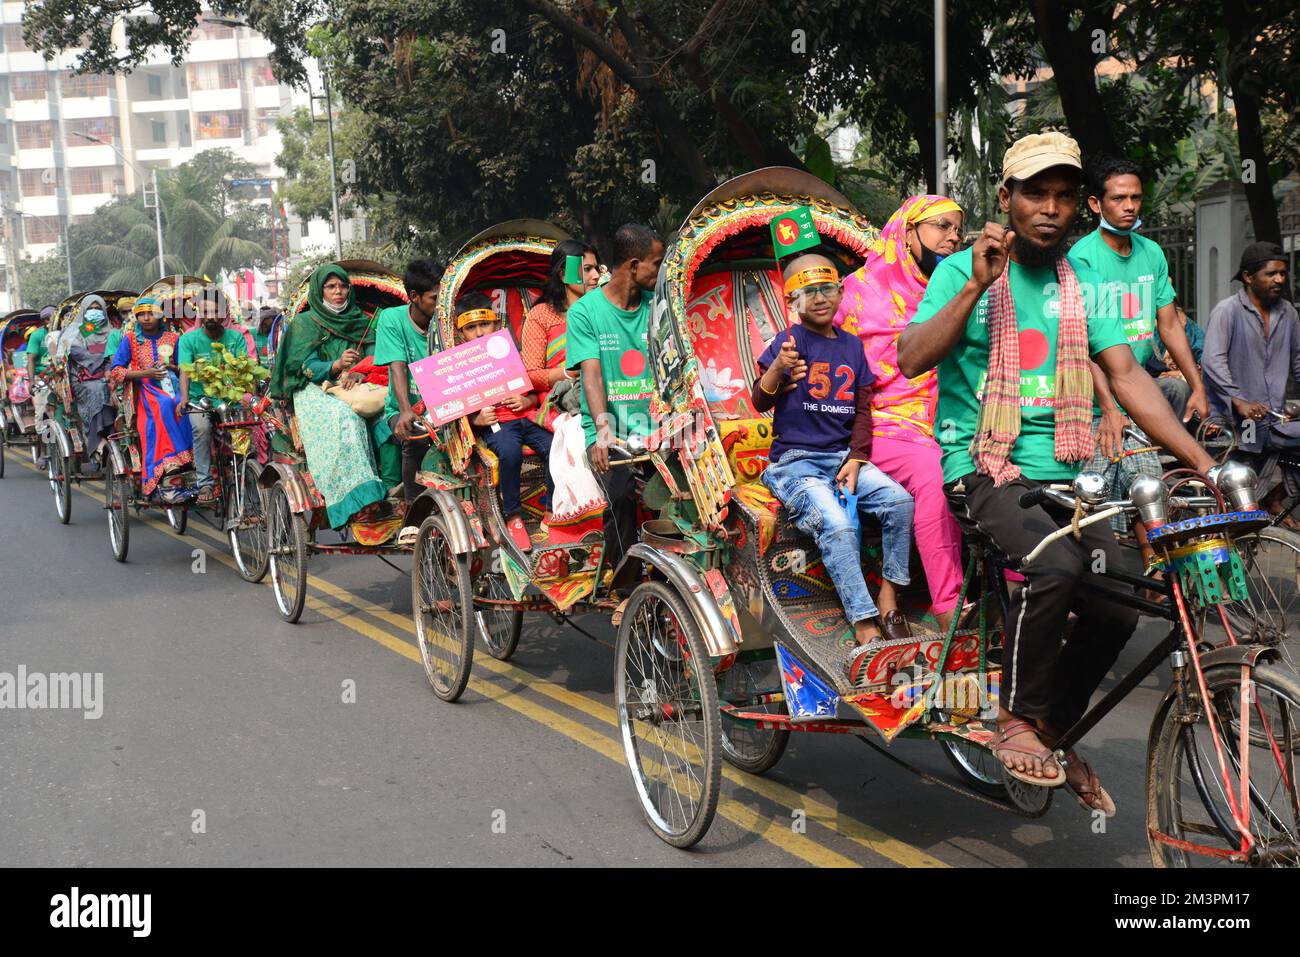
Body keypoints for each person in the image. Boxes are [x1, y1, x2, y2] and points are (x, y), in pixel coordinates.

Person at [897, 131, 1217, 811]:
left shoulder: (1080, 280)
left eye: (1064, 196)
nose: (1050, 207)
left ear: (1078, 207)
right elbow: (911, 358)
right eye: (1035, 193)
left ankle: (1050, 724)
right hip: (985, 467)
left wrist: (1201, 461)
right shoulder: (962, 271)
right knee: (1057, 566)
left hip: (1069, 474)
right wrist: (976, 286)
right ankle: (1018, 715)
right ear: (1006, 198)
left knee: (1121, 593)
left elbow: (1127, 374)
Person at [757, 252, 916, 683]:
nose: (820, 298)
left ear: (841, 292)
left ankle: (889, 596)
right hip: (796, 464)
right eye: (808, 292)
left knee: (900, 502)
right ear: (793, 301)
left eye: (827, 288)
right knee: (837, 525)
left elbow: (863, 410)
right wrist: (779, 367)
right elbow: (760, 400)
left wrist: (856, 457)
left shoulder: (852, 346)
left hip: (844, 460)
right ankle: (864, 622)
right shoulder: (789, 342)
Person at [834, 195, 966, 634]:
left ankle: (1019, 590)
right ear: (908, 234)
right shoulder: (857, 292)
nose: (952, 237)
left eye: (957, 229)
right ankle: (948, 602)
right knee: (934, 471)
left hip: (950, 417)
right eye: (941, 226)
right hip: (882, 424)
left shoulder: (957, 289)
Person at [1070, 155, 1209, 553]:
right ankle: (1151, 567)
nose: (1130, 206)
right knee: (1134, 484)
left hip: (1143, 389)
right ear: (1096, 204)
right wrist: (1110, 407)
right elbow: (1085, 346)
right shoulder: (1081, 259)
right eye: (1119, 199)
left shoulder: (1152, 254)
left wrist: (1197, 385)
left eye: (1136, 198)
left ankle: (1159, 566)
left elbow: (1169, 326)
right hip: (1099, 399)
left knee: (1162, 478)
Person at [567, 224, 663, 575]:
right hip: (610, 431)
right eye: (656, 263)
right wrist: (603, 430)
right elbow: (590, 373)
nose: (660, 271)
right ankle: (625, 585)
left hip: (659, 429)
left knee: (680, 497)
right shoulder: (585, 312)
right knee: (620, 497)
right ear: (634, 265)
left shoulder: (659, 305)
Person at [267, 264, 390, 528]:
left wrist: (359, 370)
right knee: (346, 417)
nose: (339, 292)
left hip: (356, 385)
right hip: (312, 388)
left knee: (389, 416)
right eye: (331, 286)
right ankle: (359, 501)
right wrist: (334, 365)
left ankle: (390, 491)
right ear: (320, 291)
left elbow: (376, 358)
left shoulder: (362, 321)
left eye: (343, 286)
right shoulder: (304, 323)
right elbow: (302, 366)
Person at [1202, 241, 1300, 519]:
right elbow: (1212, 361)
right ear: (1248, 277)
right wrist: (1238, 400)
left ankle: (1274, 496)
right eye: (1271, 274)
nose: (1279, 279)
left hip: (1273, 421)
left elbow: (1298, 362)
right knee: (1234, 501)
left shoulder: (1288, 314)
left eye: (1282, 273)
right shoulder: (1227, 311)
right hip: (1235, 424)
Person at [459, 293, 554, 551]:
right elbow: (453, 408)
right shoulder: (457, 365)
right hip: (496, 425)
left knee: (556, 446)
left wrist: (528, 401)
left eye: (484, 325)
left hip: (525, 417)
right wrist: (477, 419)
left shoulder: (511, 351)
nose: (479, 333)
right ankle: (513, 516)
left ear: (495, 324)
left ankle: (551, 511)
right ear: (460, 334)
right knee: (510, 452)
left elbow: (533, 390)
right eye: (471, 328)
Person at [108, 296, 194, 503]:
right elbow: (117, 371)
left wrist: (171, 369)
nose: (146, 318)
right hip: (144, 389)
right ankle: (169, 461)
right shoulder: (130, 340)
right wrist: (146, 373)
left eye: (151, 314)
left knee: (186, 406)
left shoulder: (174, 338)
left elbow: (184, 367)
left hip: (173, 385)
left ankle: (190, 460)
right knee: (165, 405)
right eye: (141, 314)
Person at [374, 258, 442, 507]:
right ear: (414, 296)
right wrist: (405, 409)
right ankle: (413, 512)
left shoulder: (447, 318)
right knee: (416, 435)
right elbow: (398, 365)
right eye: (434, 298)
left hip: (447, 406)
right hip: (407, 408)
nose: (441, 304)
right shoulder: (392, 320)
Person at [177, 291, 250, 504]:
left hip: (230, 398)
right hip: (200, 399)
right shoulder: (188, 339)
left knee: (245, 430)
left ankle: (246, 471)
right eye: (205, 311)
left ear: (224, 312)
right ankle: (205, 483)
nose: (210, 316)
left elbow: (244, 369)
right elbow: (185, 372)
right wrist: (184, 398)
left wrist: (246, 393)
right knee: (201, 429)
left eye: (215, 311)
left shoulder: (236, 337)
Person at [520, 239, 600, 421]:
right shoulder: (541, 315)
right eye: (587, 269)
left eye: (596, 268)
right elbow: (531, 375)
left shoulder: (603, 311)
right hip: (562, 404)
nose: (596, 276)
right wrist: (570, 372)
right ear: (564, 275)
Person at [55, 294, 118, 470]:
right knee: (98, 390)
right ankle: (97, 439)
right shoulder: (83, 329)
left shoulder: (112, 331)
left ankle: (118, 435)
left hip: (110, 374)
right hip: (84, 377)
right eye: (91, 309)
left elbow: (118, 353)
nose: (95, 312)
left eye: (98, 309)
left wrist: (110, 367)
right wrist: (101, 360)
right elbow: (75, 350)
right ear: (84, 310)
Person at [1145, 300, 1204, 420]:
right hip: (1154, 383)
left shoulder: (1190, 329)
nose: (1182, 323)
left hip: (1188, 378)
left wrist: (1179, 373)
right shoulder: (1148, 330)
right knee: (1176, 388)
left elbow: (1205, 359)